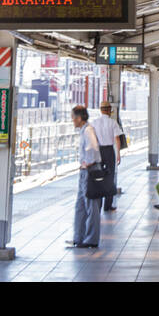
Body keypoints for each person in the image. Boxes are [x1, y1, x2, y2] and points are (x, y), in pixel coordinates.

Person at [68, 106, 102, 249]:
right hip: (85, 172)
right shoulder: (84, 131)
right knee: (80, 206)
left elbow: (93, 149)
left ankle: (91, 239)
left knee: (91, 206)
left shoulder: (88, 131)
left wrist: (87, 164)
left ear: (79, 118)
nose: (72, 121)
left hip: (90, 171)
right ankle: (79, 237)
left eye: (73, 118)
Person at [91, 101, 123, 213]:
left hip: (99, 151)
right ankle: (108, 206)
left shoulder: (94, 122)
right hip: (109, 151)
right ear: (109, 110)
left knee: (98, 177)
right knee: (109, 178)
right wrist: (118, 153)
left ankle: (98, 205)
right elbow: (117, 139)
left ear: (101, 110)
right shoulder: (113, 123)